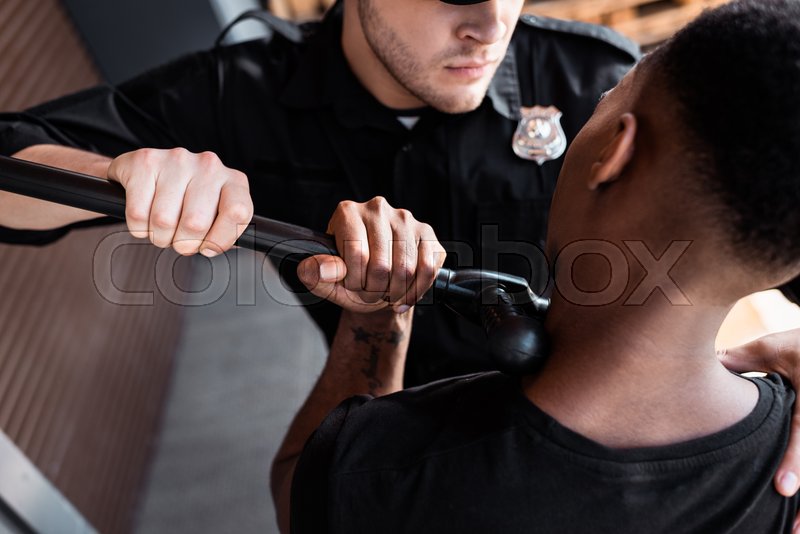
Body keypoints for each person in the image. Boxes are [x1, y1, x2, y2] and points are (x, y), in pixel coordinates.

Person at [2, 0, 800, 503]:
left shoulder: (594, 75)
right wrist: (115, 173)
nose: (491, 26)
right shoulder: (238, 90)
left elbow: (766, 195)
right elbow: (14, 168)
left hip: (604, 438)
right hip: (392, 448)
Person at [273, 1, 800, 531]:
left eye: (604, 104)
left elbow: (296, 494)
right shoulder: (789, 471)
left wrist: (376, 317)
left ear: (615, 152)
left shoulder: (384, 471)